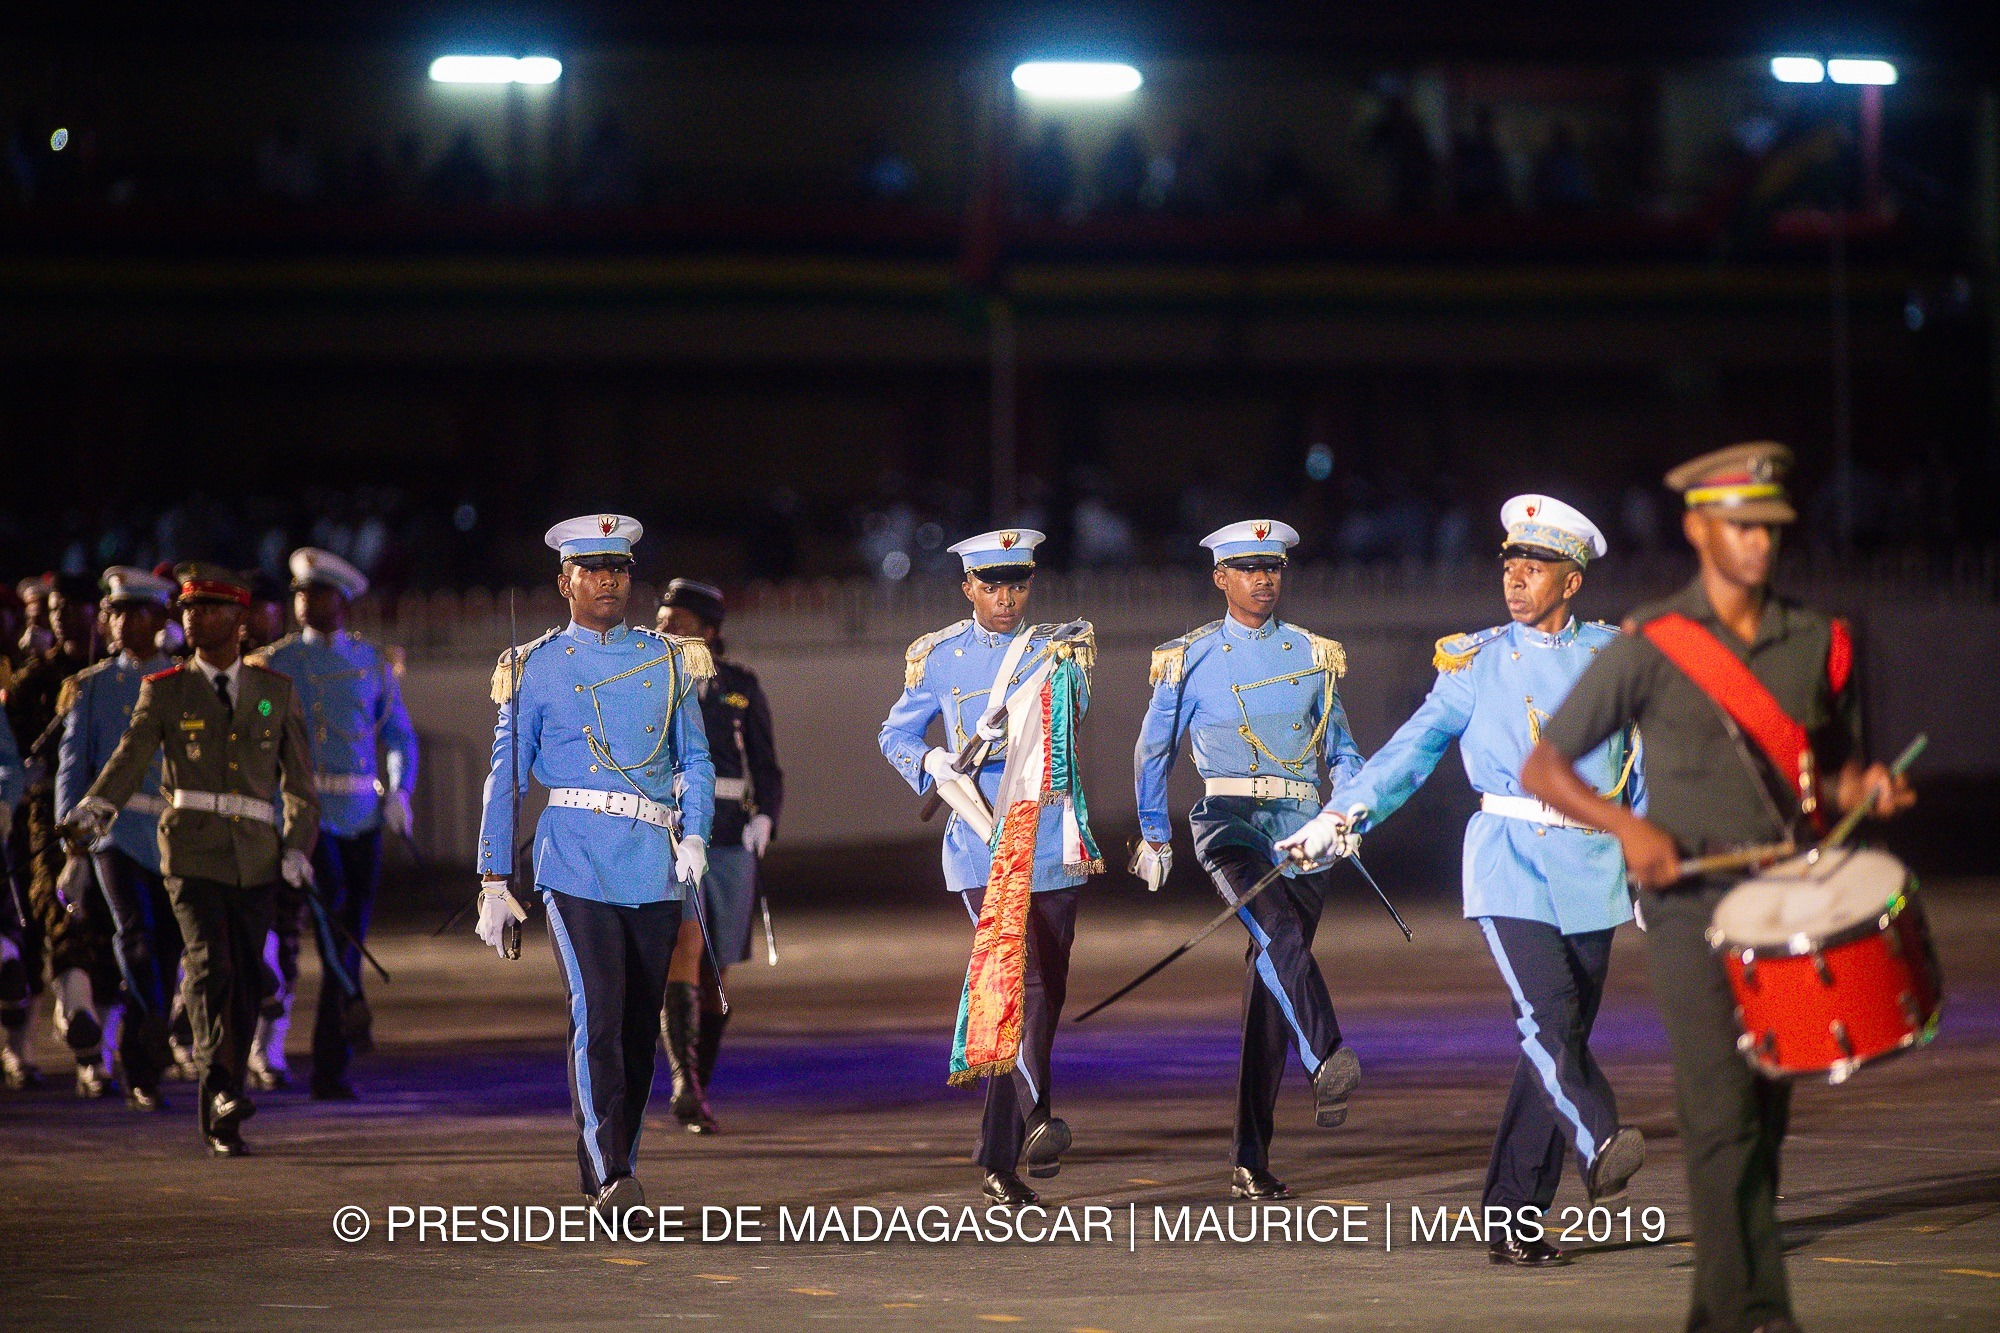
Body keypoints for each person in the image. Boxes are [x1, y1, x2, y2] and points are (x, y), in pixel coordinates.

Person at [1521, 442, 1915, 1333]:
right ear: (1699, 528)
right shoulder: (1653, 645)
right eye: (1741, 526)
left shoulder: (1819, 641)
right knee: (1718, 1113)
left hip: (1786, 903)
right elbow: (1544, 766)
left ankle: (1716, 1313)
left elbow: (1834, 776)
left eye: (1771, 528)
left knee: (1765, 1120)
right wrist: (1630, 826)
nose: (1759, 544)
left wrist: (1868, 791)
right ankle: (1763, 1313)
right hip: (1688, 908)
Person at [1282, 496, 1648, 1264]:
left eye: (1534, 567)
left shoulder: (1616, 658)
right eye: (1509, 565)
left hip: (1594, 866)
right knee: (1549, 1017)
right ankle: (1602, 1135)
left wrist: (1649, 860)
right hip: (1509, 861)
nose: (1514, 579)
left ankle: (1513, 1217)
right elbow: (1409, 752)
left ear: (1573, 581)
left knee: (1559, 1037)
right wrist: (1341, 815)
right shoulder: (1476, 662)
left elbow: (1638, 766)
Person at [473, 515, 715, 1218]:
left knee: (640, 1027)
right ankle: (609, 1170)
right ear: (565, 581)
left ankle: (620, 1165)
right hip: (574, 861)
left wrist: (696, 835)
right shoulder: (534, 665)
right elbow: (505, 778)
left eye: (619, 569)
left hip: (654, 863)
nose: (608, 581)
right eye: (593, 569)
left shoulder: (669, 657)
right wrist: (494, 878)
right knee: (599, 1014)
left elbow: (695, 760)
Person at [1132, 520, 1363, 1201]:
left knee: (1271, 987)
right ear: (1219, 577)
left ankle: (1249, 1155)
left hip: (1303, 834)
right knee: (1278, 934)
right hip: (1230, 825)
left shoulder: (1313, 654)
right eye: (1247, 567)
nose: (1264, 578)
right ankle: (1327, 1053)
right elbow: (1153, 751)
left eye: (1273, 567)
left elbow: (1343, 752)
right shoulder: (1189, 657)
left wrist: (1345, 813)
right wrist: (1154, 834)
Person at [879, 529, 1101, 1207]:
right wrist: (931, 761)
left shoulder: (1057, 651)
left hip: (1052, 840)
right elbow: (895, 732)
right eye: (992, 585)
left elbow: (1076, 717)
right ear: (968, 588)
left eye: (1018, 585)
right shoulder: (940, 658)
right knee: (1020, 980)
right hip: (982, 840)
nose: (1006, 598)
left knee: (1043, 996)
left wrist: (1040, 710)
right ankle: (1038, 1120)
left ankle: (997, 1156)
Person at [67, 563, 319, 1156]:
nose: (192, 618)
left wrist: (296, 848)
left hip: (257, 860)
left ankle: (220, 1102)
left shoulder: (274, 692)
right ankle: (222, 1092)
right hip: (190, 854)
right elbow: (129, 760)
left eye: (207, 609)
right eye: (188, 609)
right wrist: (93, 809)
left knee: (245, 977)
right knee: (210, 969)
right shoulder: (166, 688)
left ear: (238, 619)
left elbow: (300, 788)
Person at [251, 548, 418, 1100]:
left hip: (361, 817)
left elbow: (396, 734)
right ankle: (340, 1028)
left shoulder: (371, 663)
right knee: (332, 925)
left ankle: (332, 1063)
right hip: (305, 817)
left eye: (318, 593)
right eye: (300, 593)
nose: (305, 602)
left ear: (342, 602)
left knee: (348, 934)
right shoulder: (274, 664)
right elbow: (262, 736)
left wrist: (398, 789)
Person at [654, 579, 784, 1135]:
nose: (663, 629)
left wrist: (766, 820)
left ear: (708, 631)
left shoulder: (739, 687)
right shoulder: (646, 682)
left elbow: (767, 765)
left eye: (676, 621)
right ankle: (684, 1080)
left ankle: (698, 1085)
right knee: (683, 943)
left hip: (731, 835)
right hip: (673, 830)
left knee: (718, 967)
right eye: (660, 620)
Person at [54, 567, 180, 1111]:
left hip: (174, 837)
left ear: (157, 620)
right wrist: (73, 843)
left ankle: (148, 1027)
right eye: (116, 611)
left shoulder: (182, 681)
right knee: (133, 936)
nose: (120, 622)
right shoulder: (93, 685)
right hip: (114, 834)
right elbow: (71, 769)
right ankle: (145, 1046)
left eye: (133, 612)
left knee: (170, 947)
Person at [8, 572, 115, 1096]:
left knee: (117, 934)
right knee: (60, 918)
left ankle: (99, 1041)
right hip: (50, 822)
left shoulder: (115, 678)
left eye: (71, 607)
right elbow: (15, 758)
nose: (60, 617)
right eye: (53, 608)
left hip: (118, 821)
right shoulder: (33, 684)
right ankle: (83, 1040)